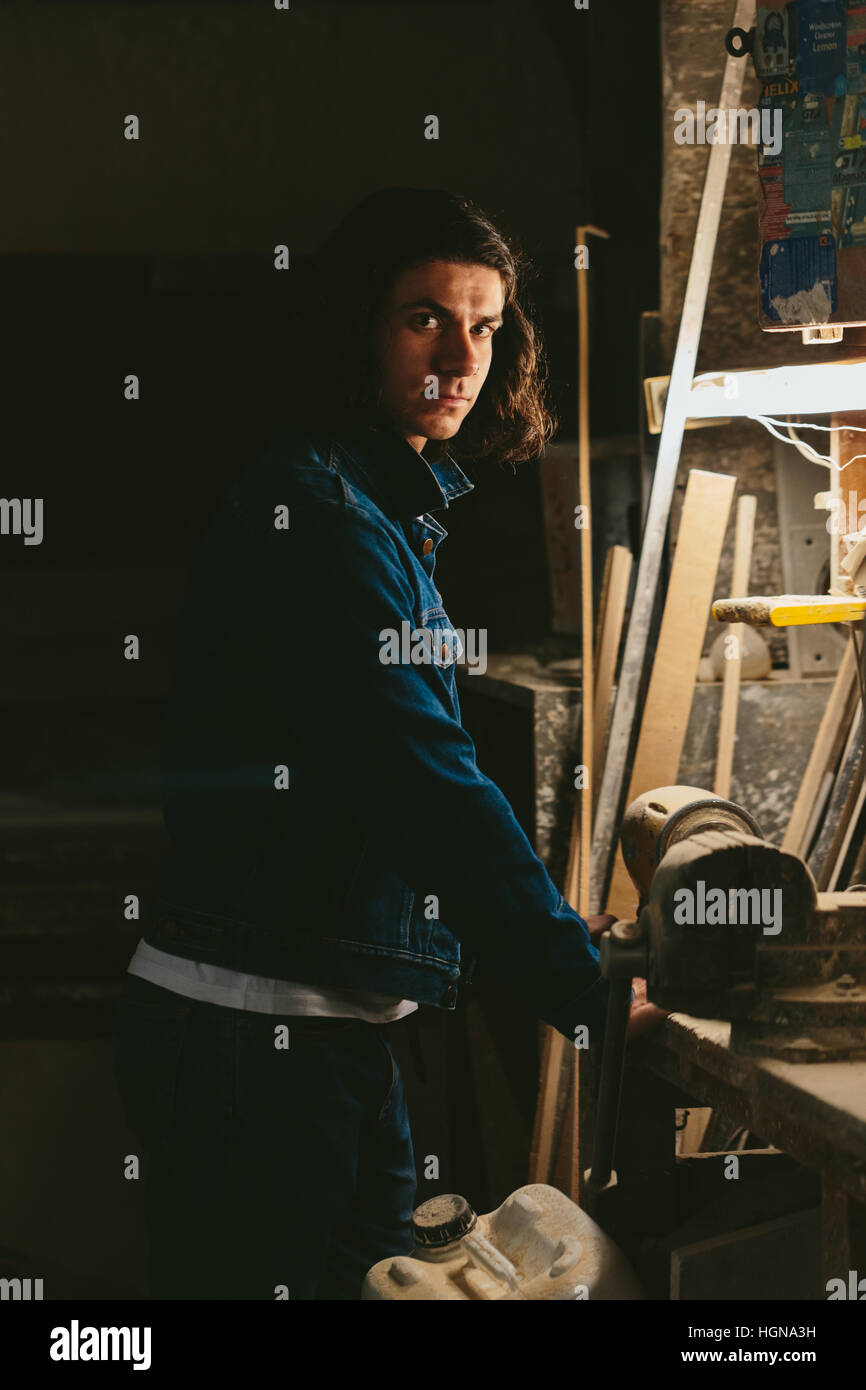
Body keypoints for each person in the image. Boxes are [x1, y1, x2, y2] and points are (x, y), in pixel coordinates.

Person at [111, 186, 663, 1302]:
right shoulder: (322, 524)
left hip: (315, 1027)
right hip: (256, 1038)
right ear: (355, 328)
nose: (460, 355)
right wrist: (587, 984)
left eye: (486, 323)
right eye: (423, 317)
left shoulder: (371, 506)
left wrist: (574, 942)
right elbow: (430, 789)